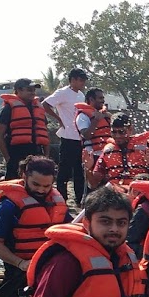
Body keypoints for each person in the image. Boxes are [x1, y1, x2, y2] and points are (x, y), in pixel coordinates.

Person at [0, 156, 71, 297]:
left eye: (46, 186)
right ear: (24, 175)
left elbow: (70, 229)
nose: (41, 190)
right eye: (36, 184)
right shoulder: (9, 206)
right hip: (20, 269)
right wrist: (21, 263)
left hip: (49, 267)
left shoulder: (56, 200)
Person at [43, 68, 88, 205]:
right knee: (65, 169)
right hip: (68, 135)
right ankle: (62, 198)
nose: (82, 83)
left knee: (79, 170)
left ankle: (79, 198)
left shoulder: (81, 95)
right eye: (80, 80)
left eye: (84, 80)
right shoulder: (62, 93)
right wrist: (58, 118)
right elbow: (45, 104)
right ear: (72, 79)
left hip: (80, 137)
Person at [0, 79, 49, 179]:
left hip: (36, 153)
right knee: (14, 186)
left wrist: (46, 156)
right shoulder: (8, 108)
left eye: (34, 90)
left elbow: (44, 133)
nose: (32, 92)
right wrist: (8, 158)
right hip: (16, 153)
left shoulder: (38, 108)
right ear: (18, 90)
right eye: (29, 89)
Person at [91, 114, 149, 191]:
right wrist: (87, 169)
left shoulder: (144, 147)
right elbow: (93, 184)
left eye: (121, 132)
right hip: (116, 194)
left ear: (130, 129)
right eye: (114, 132)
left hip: (139, 191)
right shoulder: (108, 151)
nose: (117, 136)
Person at [74, 88, 110, 189]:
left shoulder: (105, 115)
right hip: (92, 157)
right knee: (92, 188)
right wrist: (96, 120)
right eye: (100, 98)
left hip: (106, 155)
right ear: (91, 99)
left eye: (103, 98)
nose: (103, 100)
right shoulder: (82, 116)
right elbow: (86, 135)